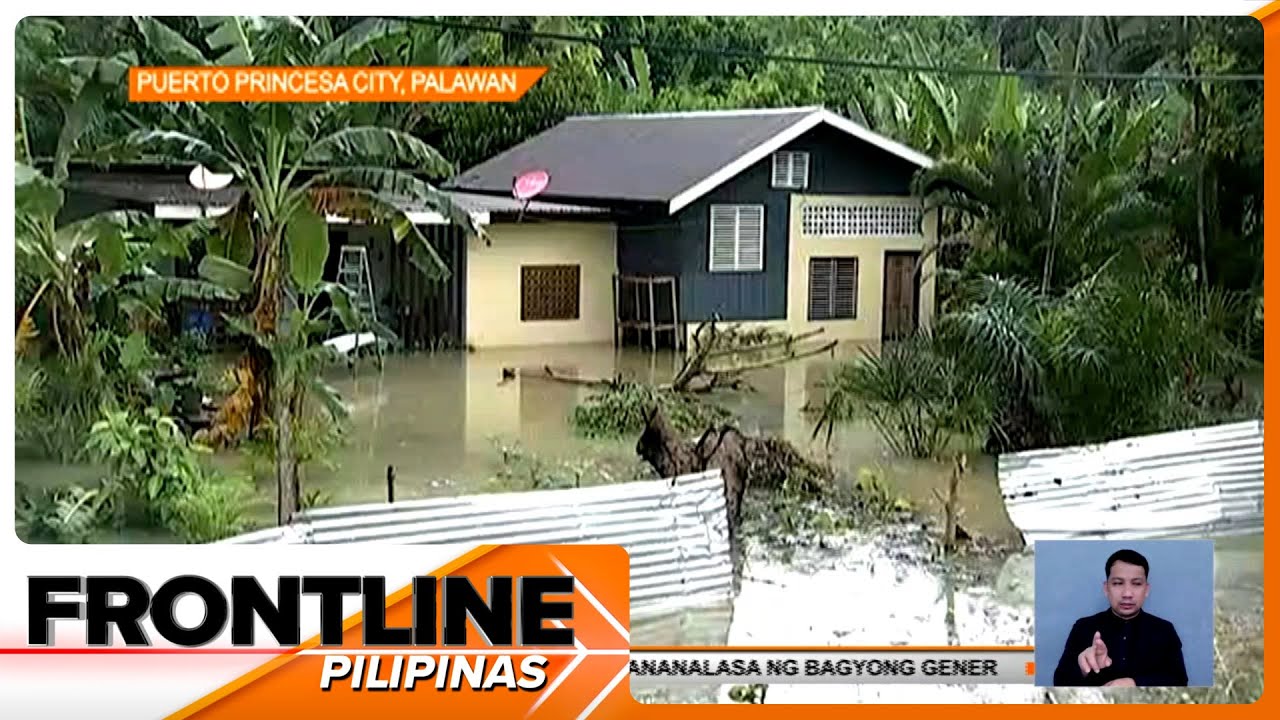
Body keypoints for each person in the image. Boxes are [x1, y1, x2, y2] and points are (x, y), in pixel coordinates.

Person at [1051, 548, 1189, 687]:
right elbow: (1059, 682)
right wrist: (1082, 668)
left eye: (1136, 584)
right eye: (1118, 583)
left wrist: (1135, 684)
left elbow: (1180, 680)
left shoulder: (1165, 630)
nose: (1127, 593)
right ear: (1106, 588)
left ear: (1146, 590)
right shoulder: (1083, 627)